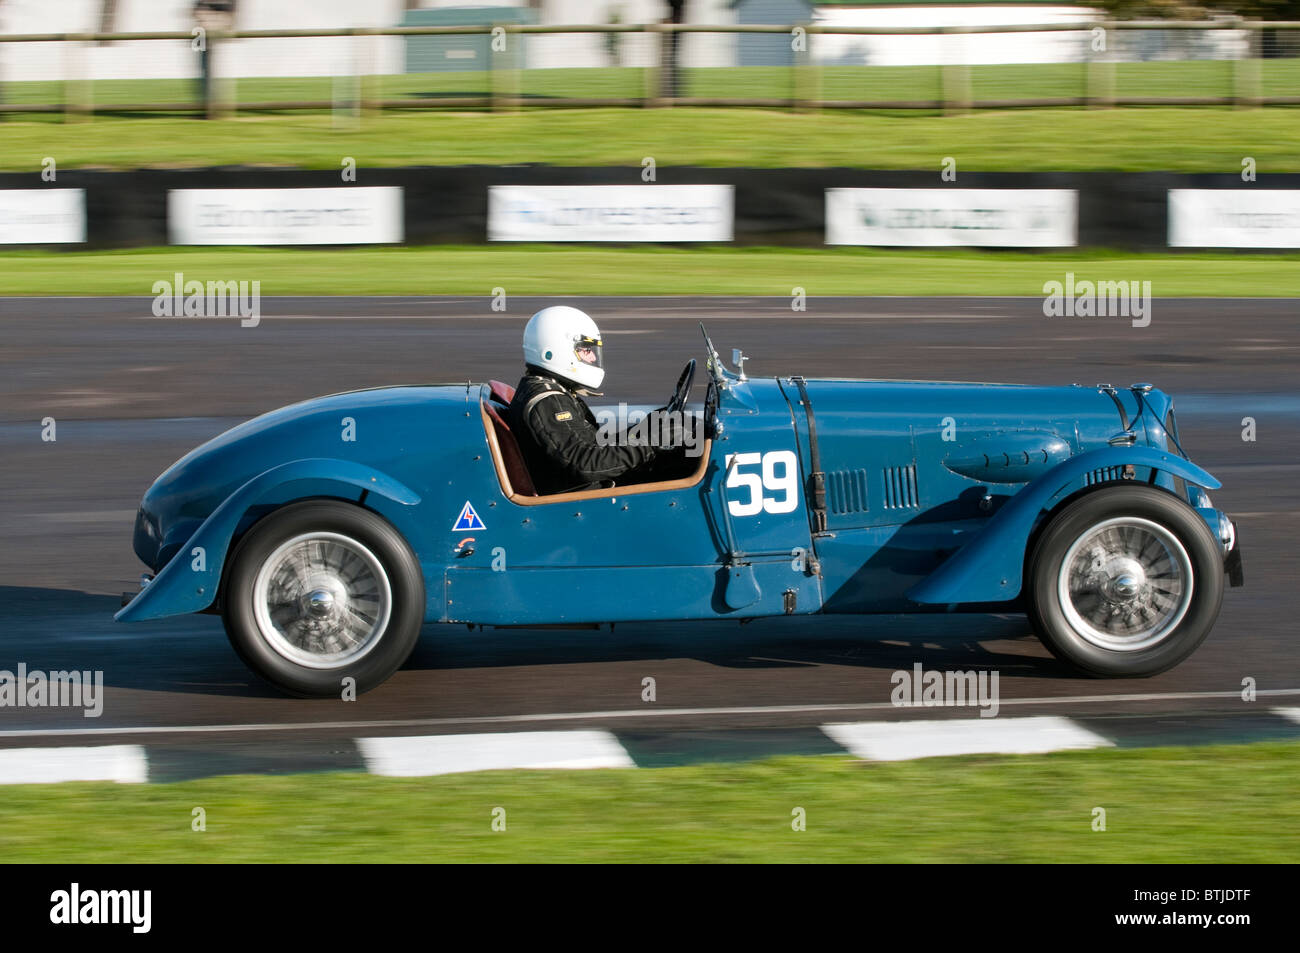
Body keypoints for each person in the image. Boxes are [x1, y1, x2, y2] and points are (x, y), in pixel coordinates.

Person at [507, 306, 683, 495]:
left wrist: (647, 427)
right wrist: (652, 442)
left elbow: (595, 445)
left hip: (587, 490)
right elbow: (586, 465)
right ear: (553, 350)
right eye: (585, 350)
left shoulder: (551, 390)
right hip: (583, 501)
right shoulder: (548, 402)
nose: (592, 357)